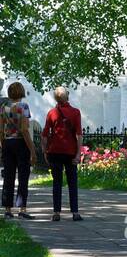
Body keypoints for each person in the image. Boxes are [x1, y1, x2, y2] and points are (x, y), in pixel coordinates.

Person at [42, 87, 83, 221]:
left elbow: (45, 135)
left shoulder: (51, 113)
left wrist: (45, 152)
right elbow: (79, 135)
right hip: (70, 152)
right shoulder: (75, 112)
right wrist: (78, 154)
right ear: (67, 97)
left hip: (54, 151)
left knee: (57, 183)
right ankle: (75, 212)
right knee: (72, 182)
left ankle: (56, 213)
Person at [1, 82, 37, 219]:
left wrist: (2, 144)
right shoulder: (23, 107)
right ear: (21, 92)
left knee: (8, 177)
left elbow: (0, 129)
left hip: (7, 143)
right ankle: (22, 208)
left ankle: (8, 209)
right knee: (23, 176)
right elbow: (24, 129)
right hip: (21, 143)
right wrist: (32, 150)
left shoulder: (4, 107)